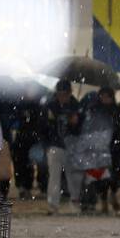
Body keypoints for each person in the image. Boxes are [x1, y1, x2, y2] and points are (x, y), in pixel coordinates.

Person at [67, 89, 117, 214]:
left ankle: (91, 201)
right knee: (92, 178)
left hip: (102, 151)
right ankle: (90, 202)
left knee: (95, 178)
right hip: (93, 152)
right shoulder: (89, 114)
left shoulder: (106, 113)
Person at [43, 80, 79, 214]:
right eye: (60, 94)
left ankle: (74, 202)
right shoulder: (51, 106)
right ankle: (53, 205)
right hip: (55, 144)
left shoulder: (76, 106)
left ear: (69, 93)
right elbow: (45, 127)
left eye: (64, 94)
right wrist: (47, 144)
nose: (62, 97)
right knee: (54, 176)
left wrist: (75, 123)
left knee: (73, 176)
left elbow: (80, 128)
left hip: (71, 145)